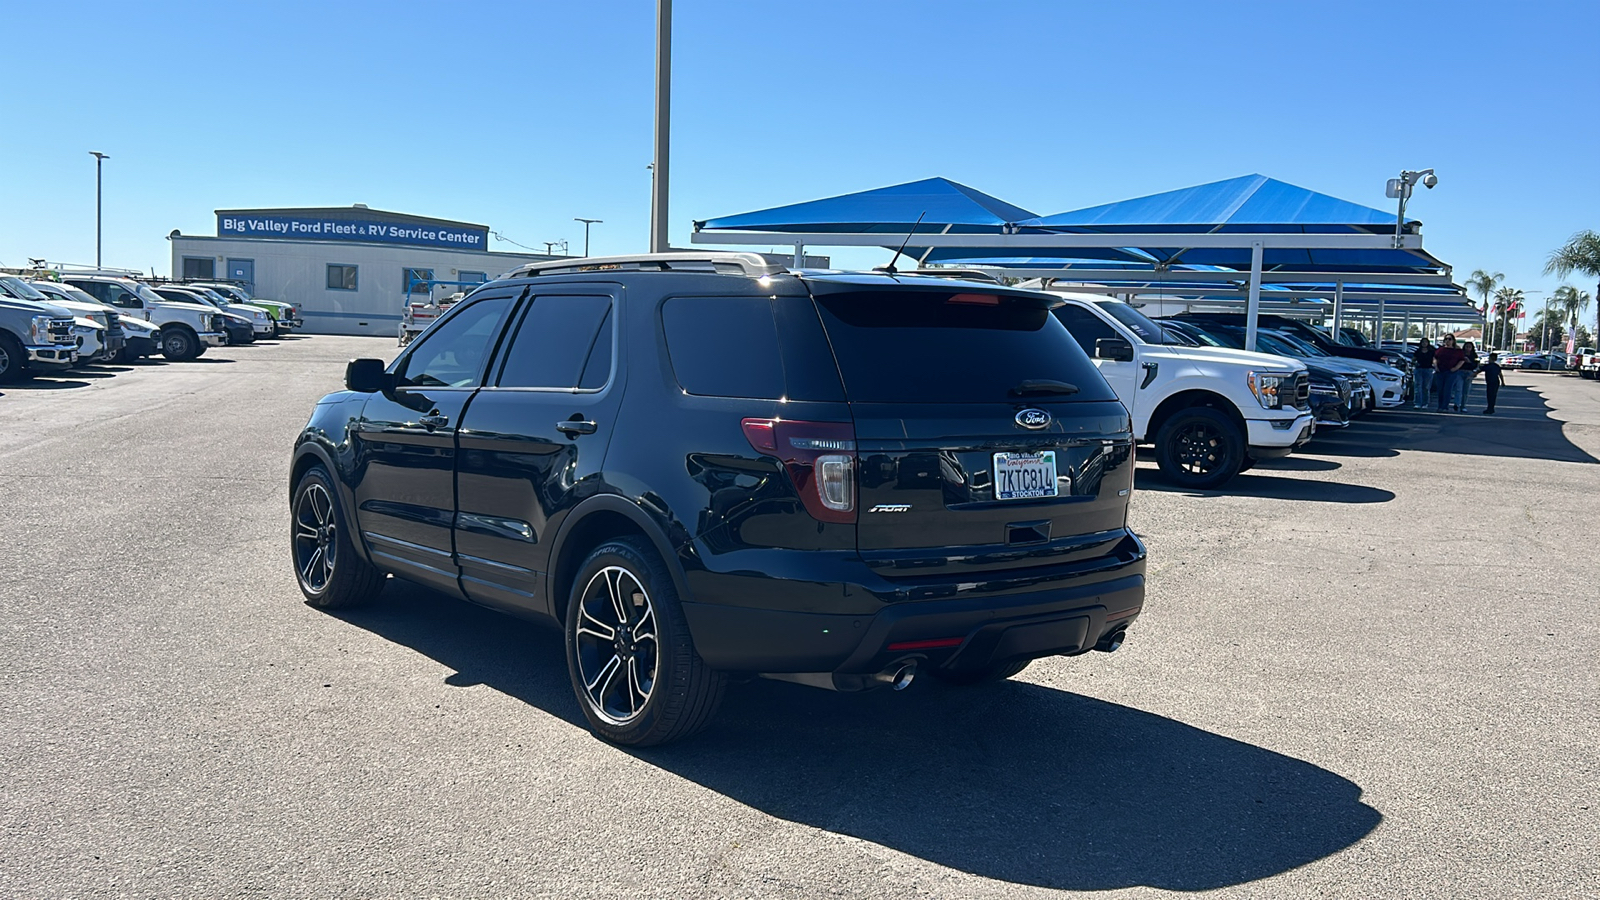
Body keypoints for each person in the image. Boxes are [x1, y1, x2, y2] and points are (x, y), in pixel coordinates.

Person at [1433, 333, 1465, 412]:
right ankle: (1440, 406)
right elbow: (1435, 358)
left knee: (1447, 389)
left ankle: (1445, 407)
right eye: (1446, 339)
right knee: (1440, 389)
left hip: (1451, 372)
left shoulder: (1457, 351)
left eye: (1450, 339)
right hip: (1440, 371)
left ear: (1453, 341)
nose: (1448, 341)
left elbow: (1462, 360)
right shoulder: (1440, 350)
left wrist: (1455, 368)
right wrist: (1436, 366)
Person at [1455, 341, 1480, 412]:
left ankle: (1463, 406)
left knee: (1466, 390)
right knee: (1458, 388)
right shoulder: (1460, 354)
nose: (1468, 348)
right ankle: (1457, 404)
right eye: (1467, 346)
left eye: (1469, 347)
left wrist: (1469, 362)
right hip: (1460, 372)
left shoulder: (1474, 356)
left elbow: (1476, 365)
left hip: (1469, 373)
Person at [1413, 337, 1436, 408]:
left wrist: (1434, 366)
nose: (1424, 344)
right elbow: (1413, 359)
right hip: (1419, 369)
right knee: (1418, 386)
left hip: (1428, 370)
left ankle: (1425, 403)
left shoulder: (1431, 351)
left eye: (1426, 342)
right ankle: (1417, 403)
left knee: (1426, 387)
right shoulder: (1418, 351)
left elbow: (1434, 359)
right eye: (1423, 342)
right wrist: (1415, 363)